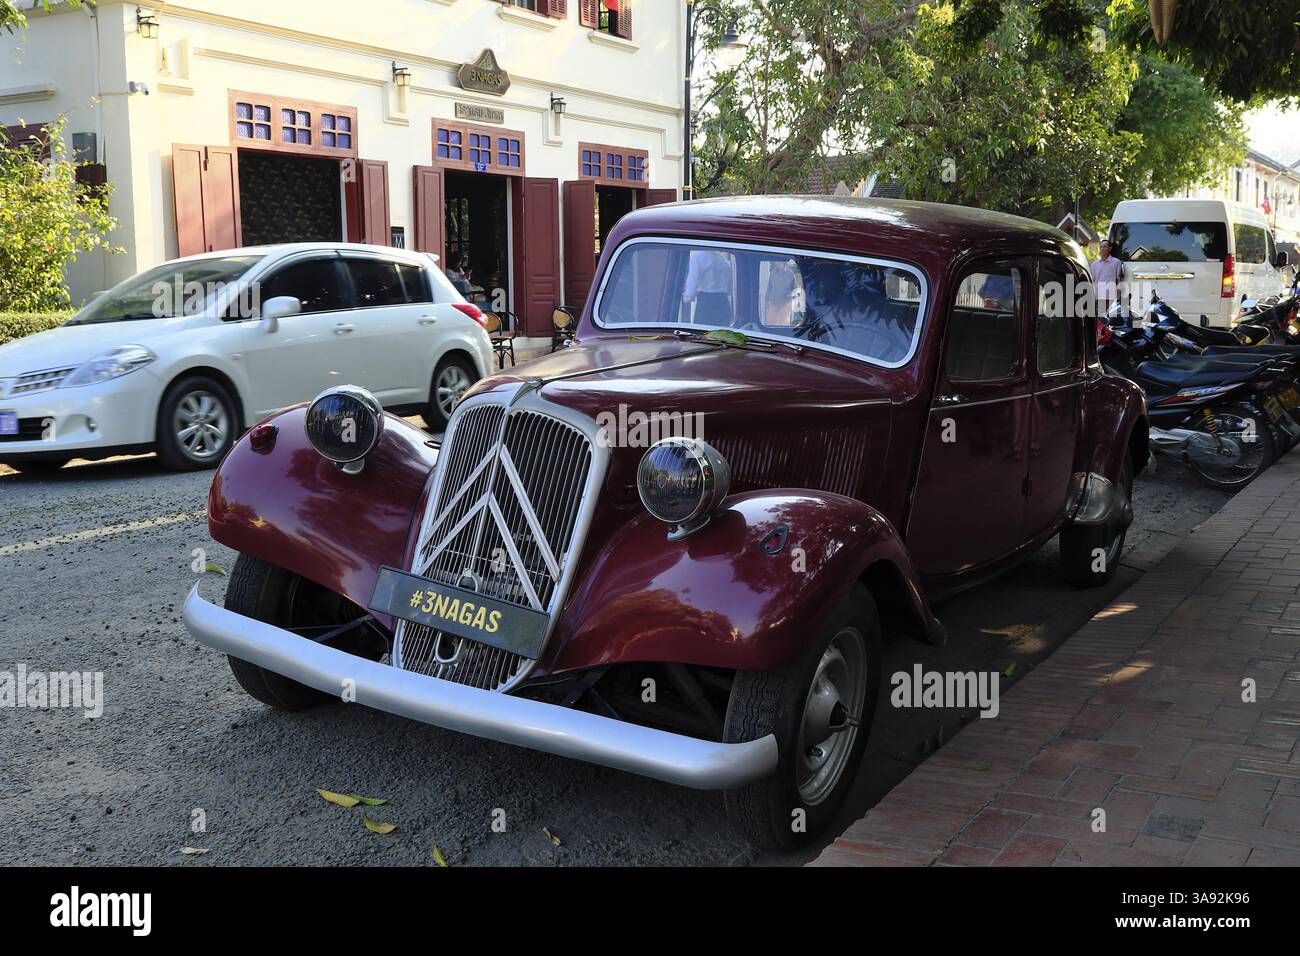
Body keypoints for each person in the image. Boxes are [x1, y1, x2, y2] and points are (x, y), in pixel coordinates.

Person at [683, 249, 734, 326]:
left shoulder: (698, 257)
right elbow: (729, 288)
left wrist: (686, 298)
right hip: (723, 302)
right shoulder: (723, 260)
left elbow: (692, 283)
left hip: (706, 303)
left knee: (702, 332)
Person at [1090, 239, 1124, 317]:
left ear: (1110, 248)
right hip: (1098, 296)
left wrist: (1118, 297)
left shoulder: (1116, 262)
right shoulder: (1095, 264)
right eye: (1101, 247)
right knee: (1099, 318)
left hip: (1110, 296)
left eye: (1105, 247)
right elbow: (1092, 280)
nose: (1102, 249)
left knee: (1110, 318)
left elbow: (1119, 280)